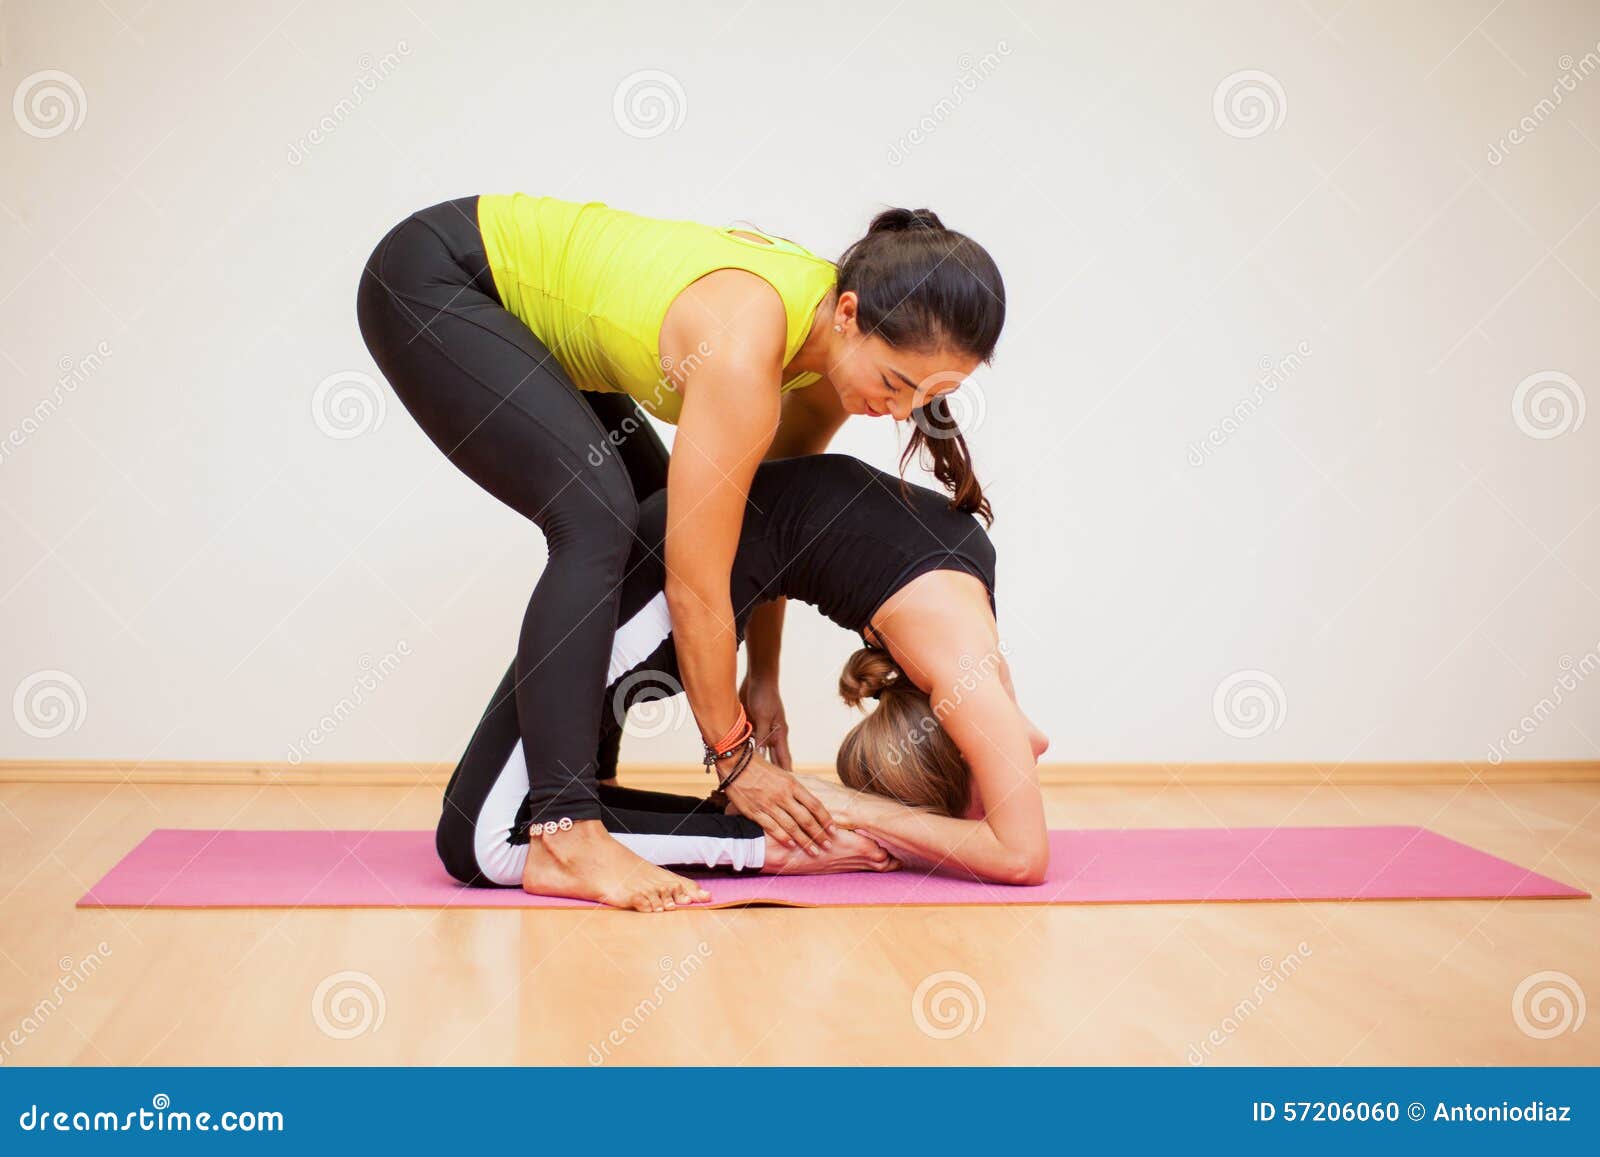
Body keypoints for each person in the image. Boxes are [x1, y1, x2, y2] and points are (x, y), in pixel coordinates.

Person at [357, 193, 1005, 909]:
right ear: (849, 312)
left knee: (646, 520)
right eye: (893, 382)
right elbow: (695, 587)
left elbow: (750, 524)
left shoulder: (822, 365)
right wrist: (733, 758)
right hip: (434, 279)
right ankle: (565, 830)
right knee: (598, 520)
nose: (897, 411)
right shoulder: (742, 351)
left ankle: (582, 791)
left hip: (520, 323)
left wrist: (761, 681)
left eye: (920, 400)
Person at [435, 454, 1048, 911]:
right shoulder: (965, 680)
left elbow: (784, 531)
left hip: (686, 546)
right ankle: (770, 844)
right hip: (678, 581)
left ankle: (754, 837)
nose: (989, 812)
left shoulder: (972, 645)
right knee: (484, 840)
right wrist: (848, 808)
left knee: (508, 818)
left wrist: (763, 674)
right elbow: (1021, 857)